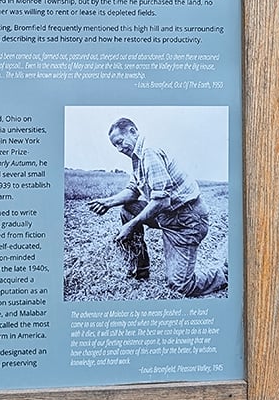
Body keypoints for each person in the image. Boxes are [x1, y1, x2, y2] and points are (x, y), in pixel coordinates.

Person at [88, 117, 228, 297]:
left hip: (187, 221)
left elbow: (162, 201)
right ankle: (140, 269)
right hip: (168, 216)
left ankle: (224, 273)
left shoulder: (149, 152)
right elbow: (133, 190)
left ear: (132, 131)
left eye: (120, 142)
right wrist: (107, 202)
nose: (119, 149)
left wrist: (130, 226)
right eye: (115, 146)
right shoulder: (137, 158)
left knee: (181, 286)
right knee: (128, 207)